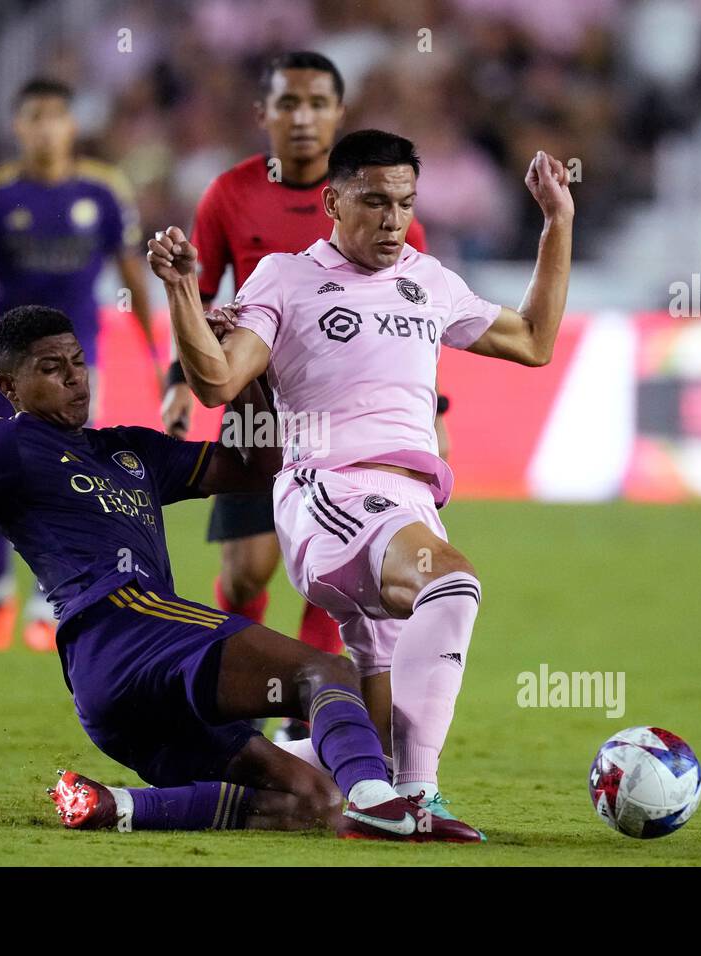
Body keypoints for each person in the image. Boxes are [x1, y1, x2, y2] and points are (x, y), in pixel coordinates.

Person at [0, 305, 481, 842]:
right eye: (50, 370)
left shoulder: (128, 449)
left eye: (78, 363)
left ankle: (110, 806)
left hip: (111, 693)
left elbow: (255, 466)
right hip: (124, 626)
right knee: (329, 673)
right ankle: (389, 798)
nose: (73, 380)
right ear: (9, 384)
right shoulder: (2, 448)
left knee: (314, 800)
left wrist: (239, 371)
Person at [148, 129, 573, 822]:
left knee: (363, 756)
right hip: (332, 492)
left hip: (409, 505)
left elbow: (533, 340)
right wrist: (181, 296)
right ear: (332, 200)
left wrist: (558, 223)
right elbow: (219, 380)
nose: (393, 220)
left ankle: (178, 788)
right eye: (374, 202)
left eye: (405, 203)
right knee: (453, 583)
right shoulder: (285, 277)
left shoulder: (426, 280)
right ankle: (422, 796)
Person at [160, 54, 442, 746]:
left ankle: (301, 703)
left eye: (318, 102)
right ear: (264, 115)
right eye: (289, 103)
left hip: (353, 424)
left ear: (339, 115)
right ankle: (251, 678)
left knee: (337, 574)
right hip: (258, 404)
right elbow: (196, 295)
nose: (304, 117)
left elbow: (416, 332)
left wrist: (439, 419)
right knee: (248, 568)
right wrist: (177, 381)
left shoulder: (391, 213)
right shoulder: (228, 193)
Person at [0, 77, 160, 653]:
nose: (46, 127)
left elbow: (132, 270)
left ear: (71, 125)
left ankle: (42, 601)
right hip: (4, 361)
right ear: (19, 127)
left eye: (56, 115)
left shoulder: (103, 191)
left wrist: (157, 348)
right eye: (34, 117)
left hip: (78, 361)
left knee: (64, 476)